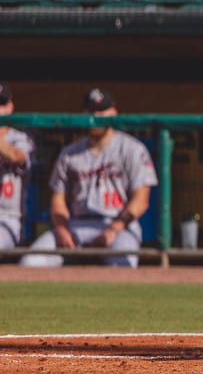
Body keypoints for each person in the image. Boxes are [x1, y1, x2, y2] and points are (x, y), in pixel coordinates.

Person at [20, 88, 158, 268]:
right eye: (91, 110)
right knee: (30, 261)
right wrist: (61, 229)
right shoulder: (69, 153)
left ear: (114, 112)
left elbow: (141, 200)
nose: (96, 116)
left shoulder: (132, 149)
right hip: (77, 225)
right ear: (83, 114)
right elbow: (58, 200)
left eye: (102, 110)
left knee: (124, 265)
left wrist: (113, 229)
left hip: (118, 226)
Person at [0, 83, 36, 251]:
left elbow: (16, 156)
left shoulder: (21, 139)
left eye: (1, 104)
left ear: (10, 107)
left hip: (7, 219)